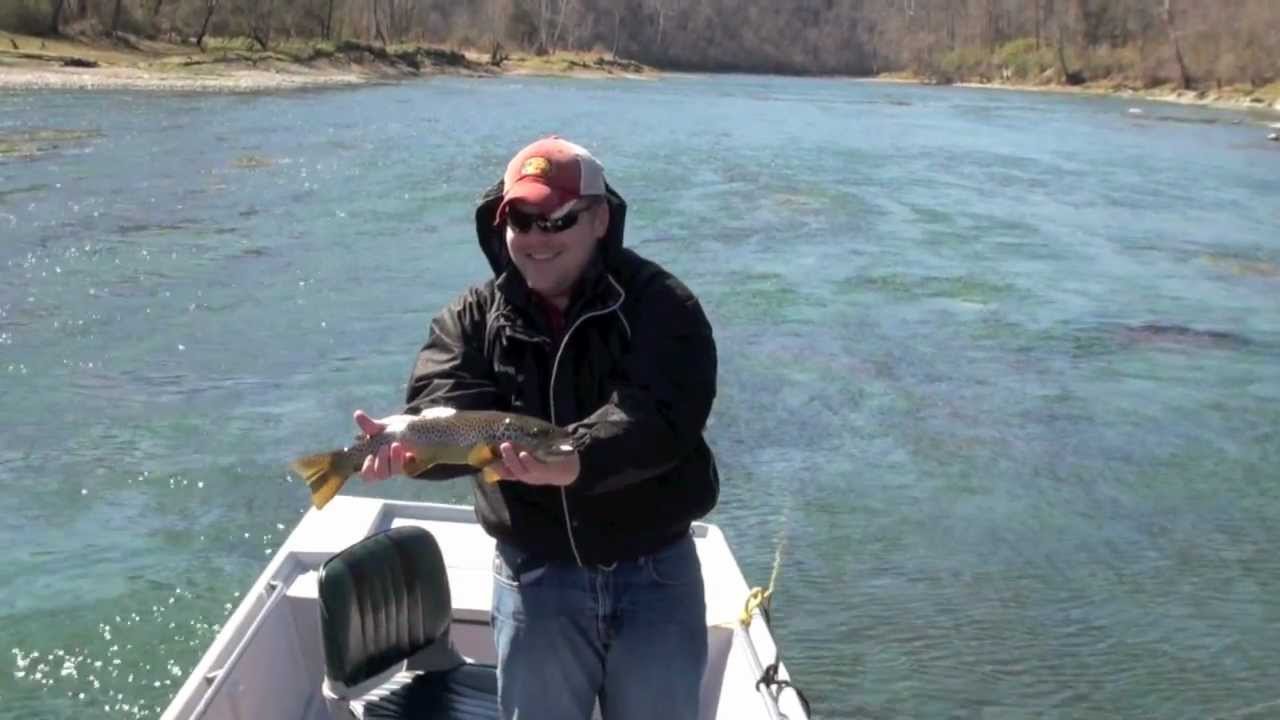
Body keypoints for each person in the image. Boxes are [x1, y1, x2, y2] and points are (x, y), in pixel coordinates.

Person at [351, 135, 720, 720]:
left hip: (655, 576)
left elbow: (663, 413)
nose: (535, 239)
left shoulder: (661, 306)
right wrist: (407, 450)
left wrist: (579, 459)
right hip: (535, 581)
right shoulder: (468, 320)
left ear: (599, 219)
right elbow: (443, 404)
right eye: (520, 220)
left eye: (556, 221)